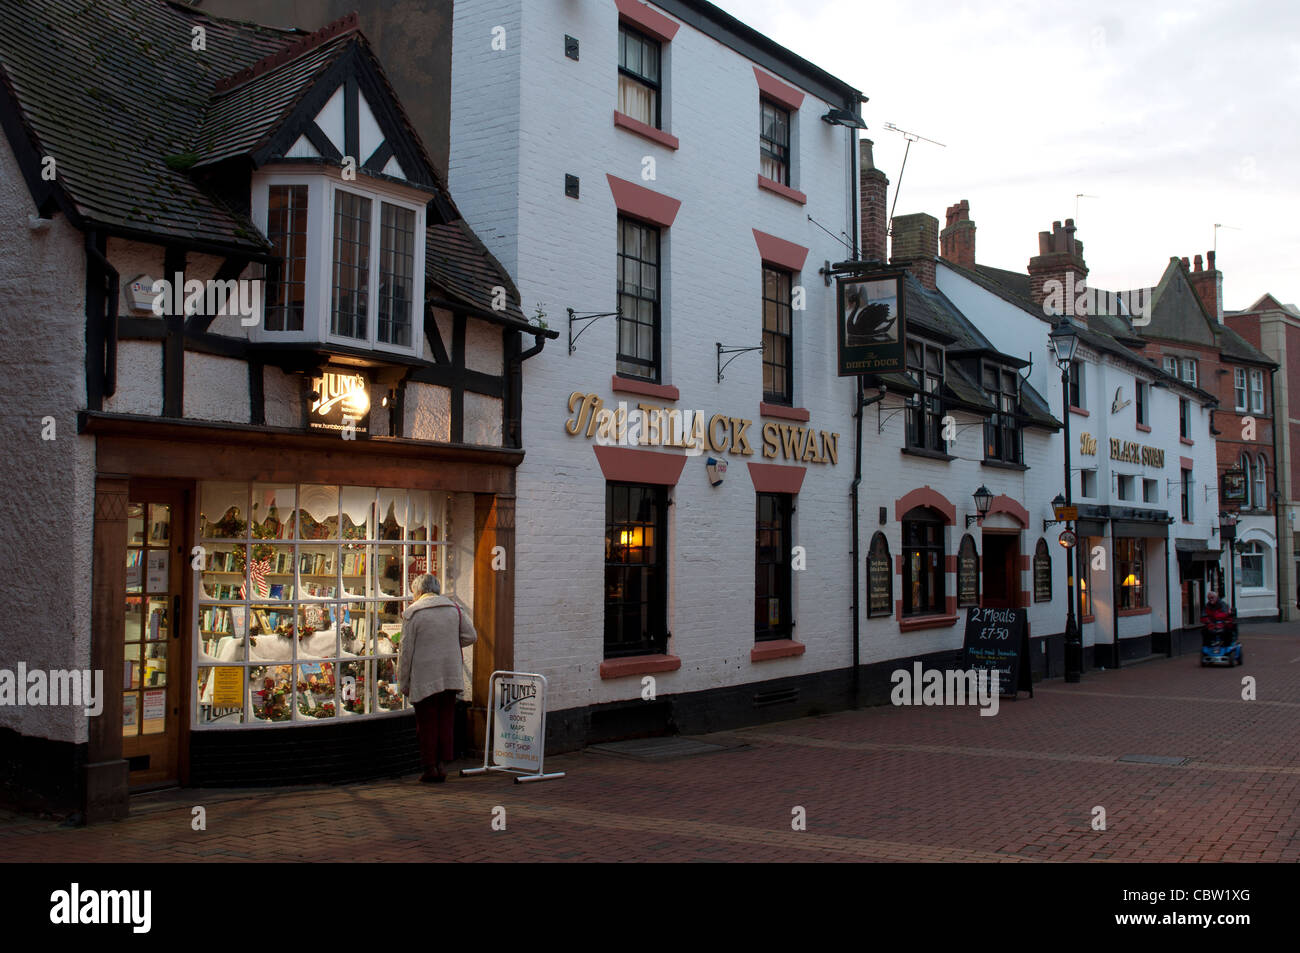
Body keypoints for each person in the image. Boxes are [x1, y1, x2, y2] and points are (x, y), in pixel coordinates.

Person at [398, 574, 476, 783]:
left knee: (426, 723)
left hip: (425, 675)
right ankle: (442, 765)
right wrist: (449, 644)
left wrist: (403, 682)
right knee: (445, 720)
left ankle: (430, 767)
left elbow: (406, 652)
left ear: (418, 592)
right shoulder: (454, 609)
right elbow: (471, 636)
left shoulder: (413, 614)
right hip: (450, 673)